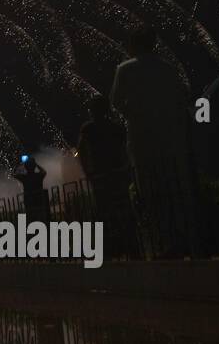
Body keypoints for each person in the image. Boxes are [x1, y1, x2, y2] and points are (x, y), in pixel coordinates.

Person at [110, 25, 196, 257]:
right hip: (170, 138)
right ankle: (183, 239)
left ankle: (162, 243)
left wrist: (133, 114)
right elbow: (182, 98)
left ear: (134, 45)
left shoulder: (125, 69)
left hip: (141, 139)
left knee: (150, 191)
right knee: (175, 189)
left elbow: (116, 101)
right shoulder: (168, 69)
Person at [77, 95, 138, 258]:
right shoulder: (116, 128)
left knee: (104, 213)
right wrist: (126, 169)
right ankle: (131, 248)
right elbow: (126, 150)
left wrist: (88, 172)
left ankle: (110, 249)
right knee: (123, 211)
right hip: (116, 174)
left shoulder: (89, 129)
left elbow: (81, 151)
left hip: (101, 176)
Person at [11, 155, 49, 224]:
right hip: (39, 202)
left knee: (31, 222)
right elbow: (44, 172)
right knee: (42, 221)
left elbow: (13, 174)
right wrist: (36, 164)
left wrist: (19, 164)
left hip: (29, 204)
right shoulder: (38, 176)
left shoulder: (25, 178)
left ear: (25, 167)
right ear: (34, 167)